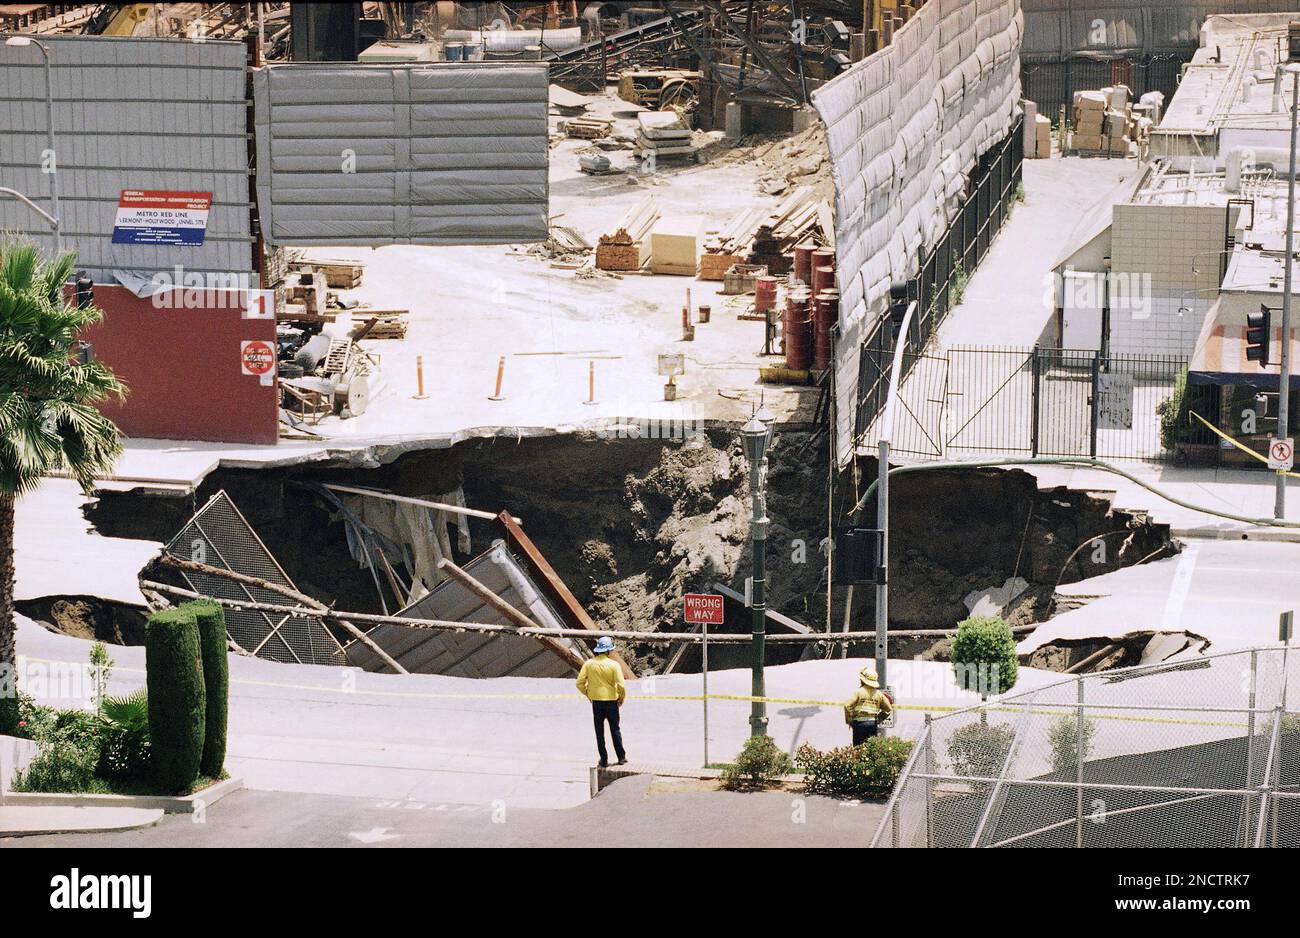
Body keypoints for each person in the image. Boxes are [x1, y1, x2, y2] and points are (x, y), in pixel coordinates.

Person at [576, 636, 627, 767]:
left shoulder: (589, 664)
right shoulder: (614, 665)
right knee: (615, 729)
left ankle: (603, 759)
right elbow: (621, 685)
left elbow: (579, 683)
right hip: (611, 701)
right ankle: (621, 757)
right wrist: (621, 698)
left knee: (599, 732)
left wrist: (588, 693)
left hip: (597, 702)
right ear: (609, 651)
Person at [844, 667, 893, 745]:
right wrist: (879, 719)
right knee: (870, 748)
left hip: (859, 724)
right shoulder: (879, 694)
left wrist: (849, 720)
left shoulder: (859, 692)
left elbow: (847, 706)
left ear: (862, 680)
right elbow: (888, 709)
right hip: (872, 724)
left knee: (858, 749)